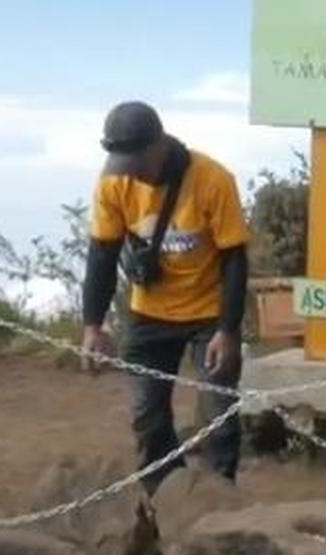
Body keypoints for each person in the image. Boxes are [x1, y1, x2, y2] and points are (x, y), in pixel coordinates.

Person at [82, 101, 249, 494]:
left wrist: (228, 330)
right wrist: (93, 324)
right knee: (147, 416)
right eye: (123, 163)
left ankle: (217, 503)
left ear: (158, 145)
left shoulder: (213, 179)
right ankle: (164, 498)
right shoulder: (113, 184)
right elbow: (102, 255)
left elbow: (235, 260)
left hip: (209, 314)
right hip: (149, 315)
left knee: (218, 412)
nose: (132, 171)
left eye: (138, 160)